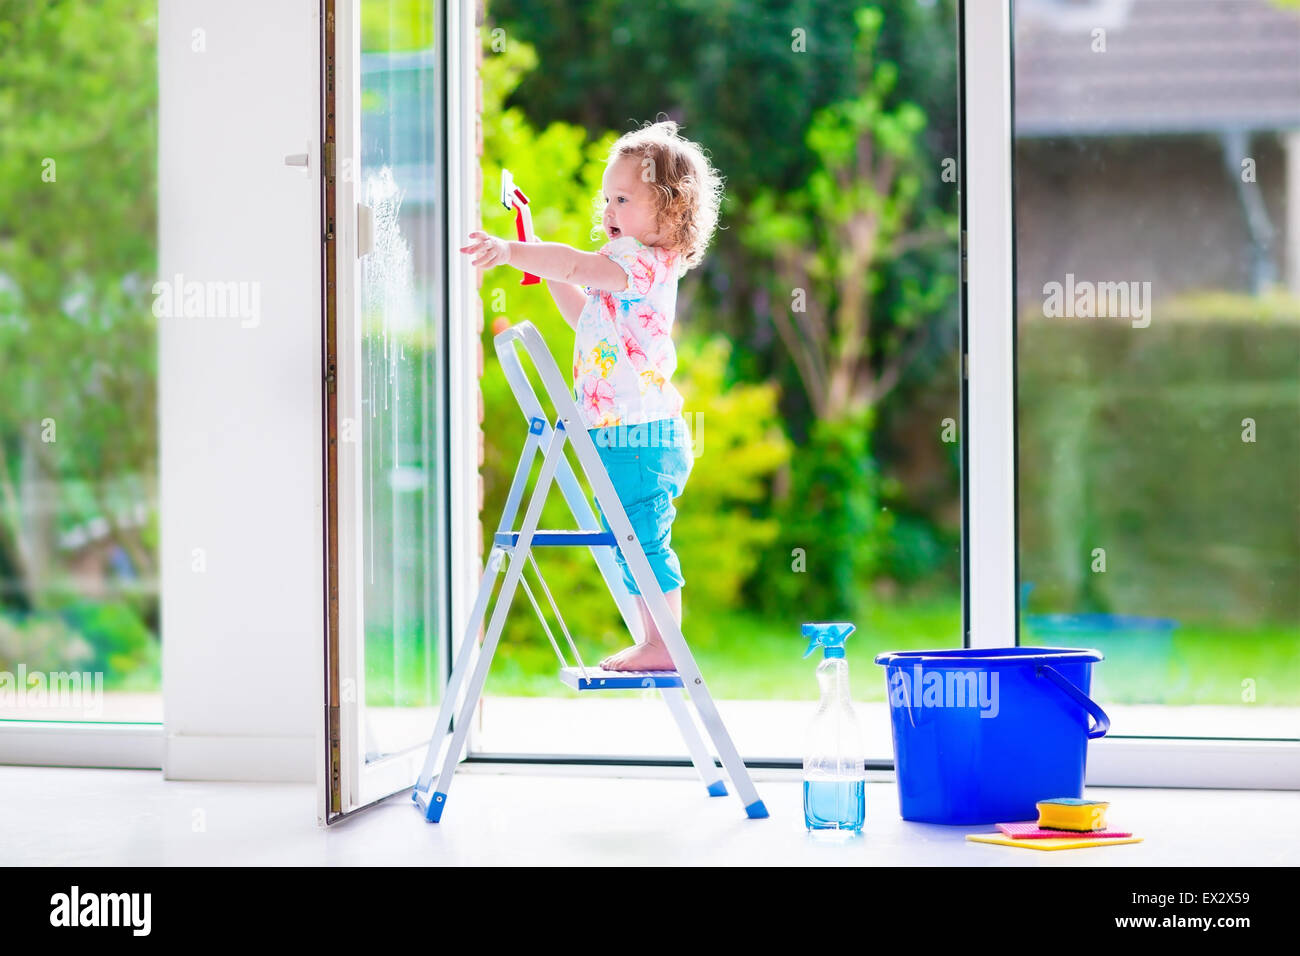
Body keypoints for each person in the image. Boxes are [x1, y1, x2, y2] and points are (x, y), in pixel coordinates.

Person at [459, 119, 723, 671]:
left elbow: (578, 265)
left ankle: (663, 645)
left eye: (623, 199)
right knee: (634, 539)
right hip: (627, 434)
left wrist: (511, 251)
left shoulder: (642, 264)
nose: (608, 211)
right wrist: (538, 264)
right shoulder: (626, 273)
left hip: (641, 435)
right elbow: (584, 312)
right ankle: (656, 639)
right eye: (606, 198)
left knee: (645, 539)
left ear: (670, 212)